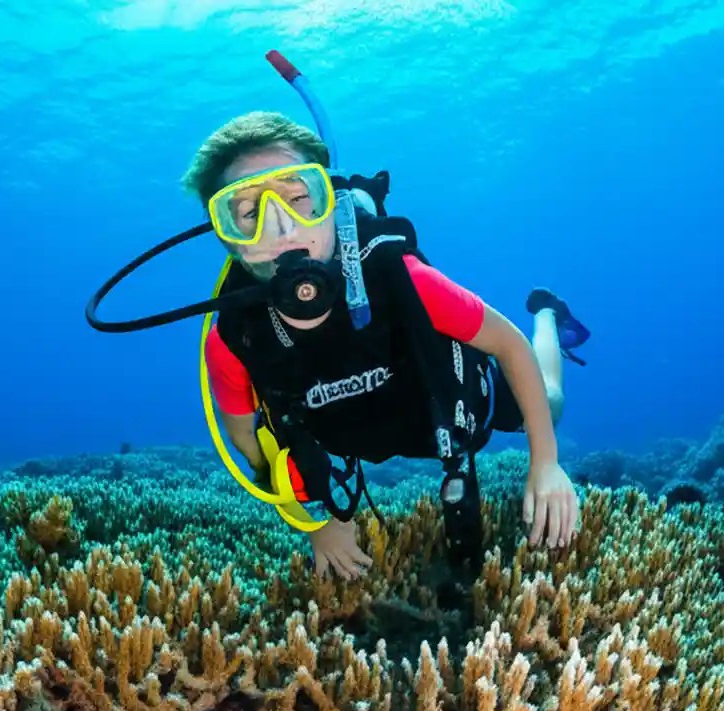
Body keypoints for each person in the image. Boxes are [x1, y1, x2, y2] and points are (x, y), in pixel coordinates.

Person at [181, 111, 589, 582]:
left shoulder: (401, 277)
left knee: (549, 403)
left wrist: (545, 462)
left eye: (298, 198)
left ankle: (547, 315)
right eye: (250, 213)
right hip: (353, 432)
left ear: (329, 201)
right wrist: (315, 522)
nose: (283, 229)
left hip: (447, 402)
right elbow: (247, 441)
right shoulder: (233, 338)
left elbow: (508, 346)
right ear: (227, 239)